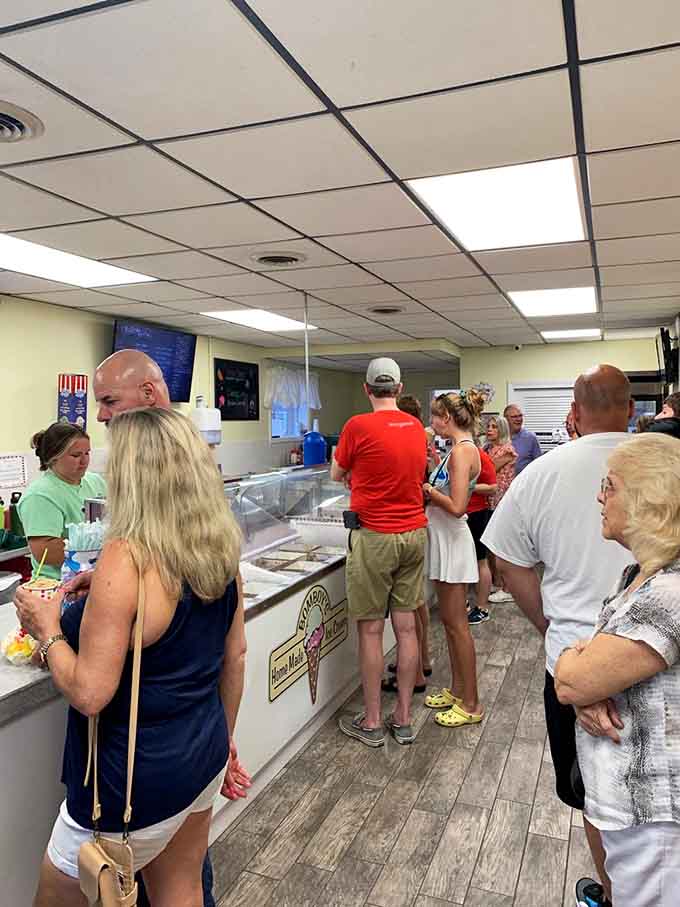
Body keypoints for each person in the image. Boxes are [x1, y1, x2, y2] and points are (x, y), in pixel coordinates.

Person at [15, 409, 246, 907]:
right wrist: (224, 744)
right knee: (181, 889)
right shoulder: (220, 546)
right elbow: (236, 657)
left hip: (129, 783)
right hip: (200, 757)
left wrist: (46, 629)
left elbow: (90, 693)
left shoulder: (128, 555)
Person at [482, 364, 636, 906]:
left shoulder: (542, 473)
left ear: (573, 413)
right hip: (663, 657)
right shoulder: (665, 463)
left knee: (592, 790)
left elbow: (507, 559)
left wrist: (547, 621)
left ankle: (613, 893)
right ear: (631, 410)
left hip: (575, 665)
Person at [555, 433, 680, 907]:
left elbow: (572, 677)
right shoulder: (637, 575)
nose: (599, 497)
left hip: (655, 818)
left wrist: (582, 681)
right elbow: (586, 671)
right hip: (629, 810)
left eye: (610, 486)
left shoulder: (668, 593)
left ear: (649, 499)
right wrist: (587, 684)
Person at [332, 359, 427, 746]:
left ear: (367, 389)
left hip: (375, 537)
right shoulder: (417, 428)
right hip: (414, 534)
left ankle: (372, 721)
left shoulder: (357, 426)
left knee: (371, 631)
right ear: (399, 389)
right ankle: (403, 717)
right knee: (407, 629)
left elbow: (336, 474)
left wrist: (357, 475)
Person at [423, 390, 485, 728]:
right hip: (444, 539)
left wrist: (429, 491)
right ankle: (458, 690)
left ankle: (471, 703)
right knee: (449, 623)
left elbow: (458, 506)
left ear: (446, 417)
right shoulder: (456, 450)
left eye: (435, 416)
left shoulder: (463, 452)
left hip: (453, 540)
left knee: (458, 626)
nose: (432, 422)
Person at [383, 393, 433, 693]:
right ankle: (420, 660)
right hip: (418, 524)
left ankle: (414, 674)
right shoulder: (420, 441)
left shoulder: (408, 440)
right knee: (417, 602)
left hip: (405, 527)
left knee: (409, 608)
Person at [17, 423, 106, 581]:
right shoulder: (40, 495)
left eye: (87, 453)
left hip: (95, 577)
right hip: (57, 583)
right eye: (76, 455)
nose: (84, 461)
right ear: (53, 457)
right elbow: (46, 553)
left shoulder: (95, 481)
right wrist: (98, 553)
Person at [484, 415, 517, 604]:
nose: (489, 430)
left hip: (501, 501)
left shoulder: (507, 450)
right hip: (490, 501)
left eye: (494, 427)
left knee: (501, 546)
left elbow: (488, 470)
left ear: (502, 430)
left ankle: (508, 588)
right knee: (490, 544)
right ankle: (497, 582)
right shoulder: (488, 448)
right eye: (488, 426)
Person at [465, 444, 497, 624]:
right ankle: (463, 604)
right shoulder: (455, 452)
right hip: (460, 514)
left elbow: (492, 487)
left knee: (480, 560)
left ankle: (482, 607)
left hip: (477, 512)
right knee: (463, 561)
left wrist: (469, 486)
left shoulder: (479, 455)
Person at [504, 403, 542, 474]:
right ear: (505, 419)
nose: (519, 419)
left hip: (525, 480)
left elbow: (539, 465)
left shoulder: (531, 438)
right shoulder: (499, 437)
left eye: (520, 416)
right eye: (514, 417)